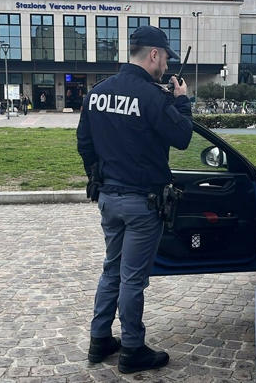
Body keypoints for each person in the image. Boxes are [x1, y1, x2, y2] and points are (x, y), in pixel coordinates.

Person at [76, 25, 192, 374]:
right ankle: (132, 349)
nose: (166, 66)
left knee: (111, 270)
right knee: (132, 279)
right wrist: (181, 100)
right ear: (153, 54)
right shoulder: (152, 96)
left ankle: (99, 341)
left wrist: (99, 176)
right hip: (143, 204)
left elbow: (84, 143)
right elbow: (183, 137)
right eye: (165, 57)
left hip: (109, 199)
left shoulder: (97, 93)